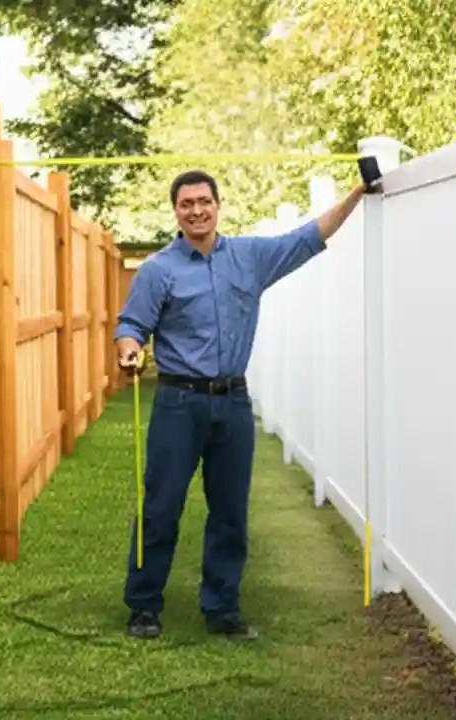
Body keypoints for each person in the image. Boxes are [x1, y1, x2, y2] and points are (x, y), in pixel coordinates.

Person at [114, 168, 370, 640]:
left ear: (218, 203)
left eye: (203, 201)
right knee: (161, 506)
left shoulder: (251, 258)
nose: (196, 210)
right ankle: (144, 606)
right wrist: (130, 349)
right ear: (176, 211)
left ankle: (222, 610)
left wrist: (357, 192)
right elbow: (132, 324)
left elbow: (310, 235)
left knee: (230, 511)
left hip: (232, 403)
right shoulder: (158, 270)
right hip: (178, 404)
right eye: (186, 204)